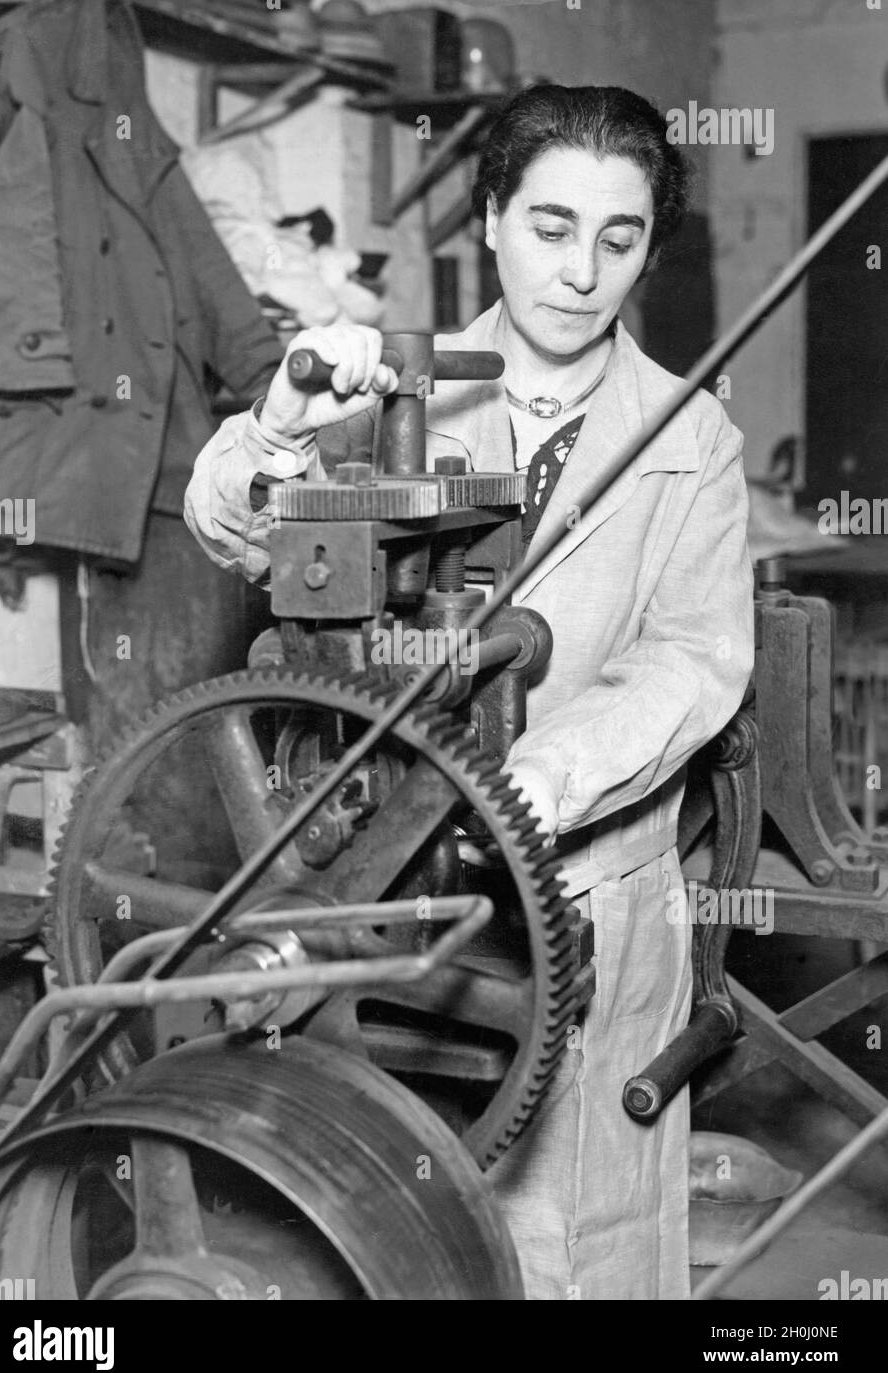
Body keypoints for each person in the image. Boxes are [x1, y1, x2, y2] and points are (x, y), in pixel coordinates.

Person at [183, 85, 754, 1300]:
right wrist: (281, 428)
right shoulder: (393, 387)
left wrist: (541, 779)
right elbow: (231, 527)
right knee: (388, 1231)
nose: (581, 272)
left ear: (651, 245)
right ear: (489, 218)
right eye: (550, 227)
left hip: (586, 885)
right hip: (376, 895)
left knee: (586, 1248)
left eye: (619, 237)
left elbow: (693, 659)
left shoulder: (692, 437)